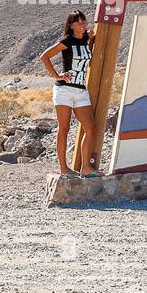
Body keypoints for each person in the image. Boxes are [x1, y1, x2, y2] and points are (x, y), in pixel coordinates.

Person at [40, 11, 98, 176]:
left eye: (84, 22)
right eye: (78, 23)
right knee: (64, 128)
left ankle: (85, 167)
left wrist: (90, 34)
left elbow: (92, 34)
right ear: (71, 25)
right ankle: (64, 168)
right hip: (64, 90)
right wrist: (57, 75)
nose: (82, 25)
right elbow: (44, 57)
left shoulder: (87, 38)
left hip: (81, 90)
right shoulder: (66, 41)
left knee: (91, 128)